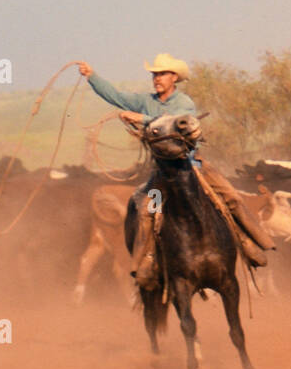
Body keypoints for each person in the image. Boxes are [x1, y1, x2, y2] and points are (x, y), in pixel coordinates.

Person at [77, 54, 274, 286]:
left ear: (174, 78)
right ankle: (146, 260)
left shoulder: (185, 103)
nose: (156, 78)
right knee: (146, 210)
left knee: (230, 197)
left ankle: (249, 243)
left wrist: (142, 119)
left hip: (191, 167)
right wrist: (92, 77)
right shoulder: (146, 100)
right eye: (155, 74)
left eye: (162, 74)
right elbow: (118, 97)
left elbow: (174, 123)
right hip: (162, 172)